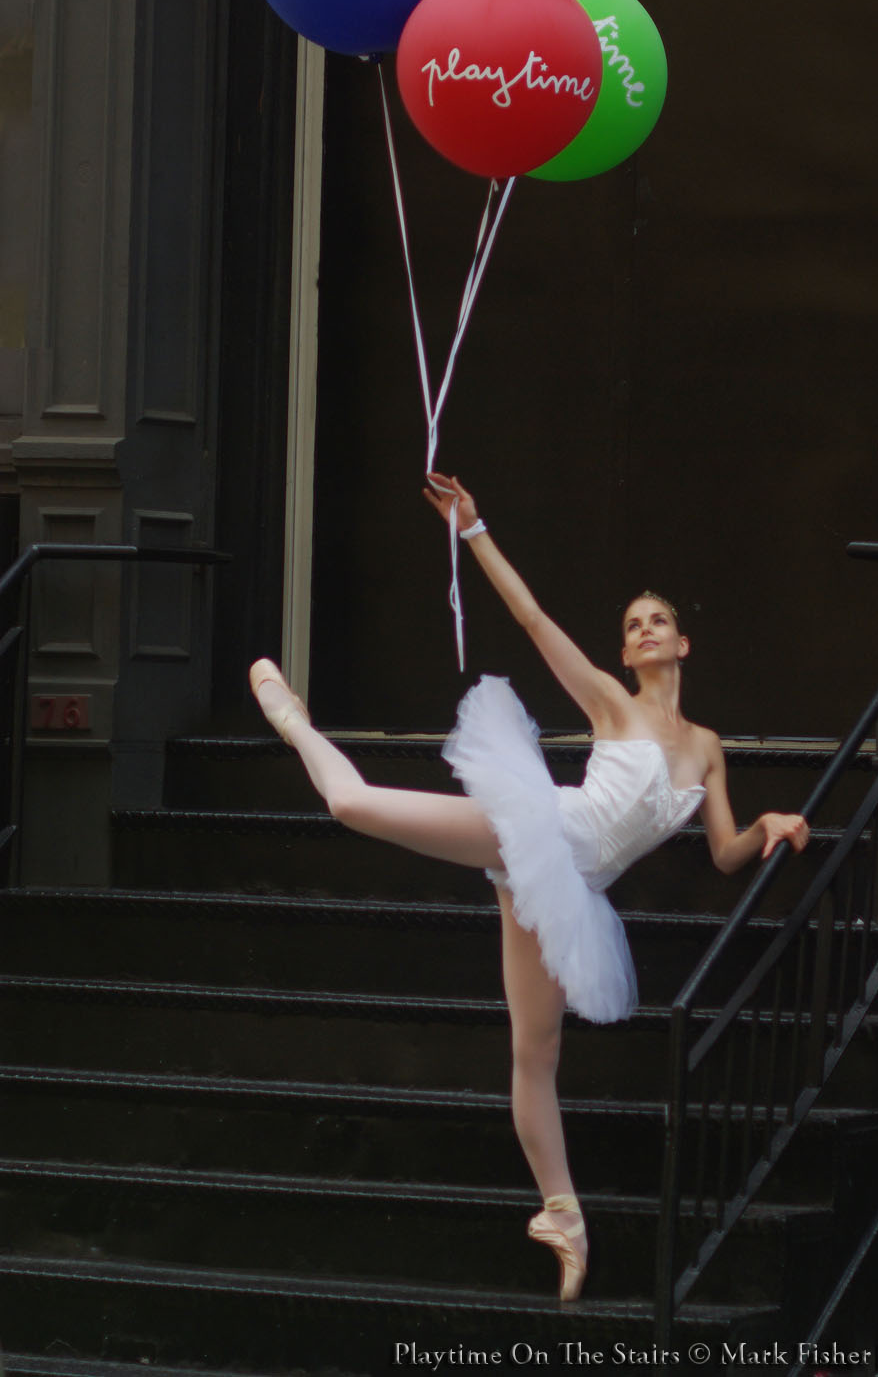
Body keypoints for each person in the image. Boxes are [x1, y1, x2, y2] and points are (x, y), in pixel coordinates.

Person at [249, 473, 810, 1303]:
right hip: (543, 832)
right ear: (625, 654)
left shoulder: (707, 746)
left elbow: (725, 854)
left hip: (567, 893)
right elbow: (532, 618)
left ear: (683, 645)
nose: (645, 631)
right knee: (352, 805)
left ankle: (563, 1216)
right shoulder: (612, 702)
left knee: (535, 1053)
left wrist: (767, 827)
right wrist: (473, 530)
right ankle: (294, 721)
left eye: (658, 621)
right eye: (633, 625)